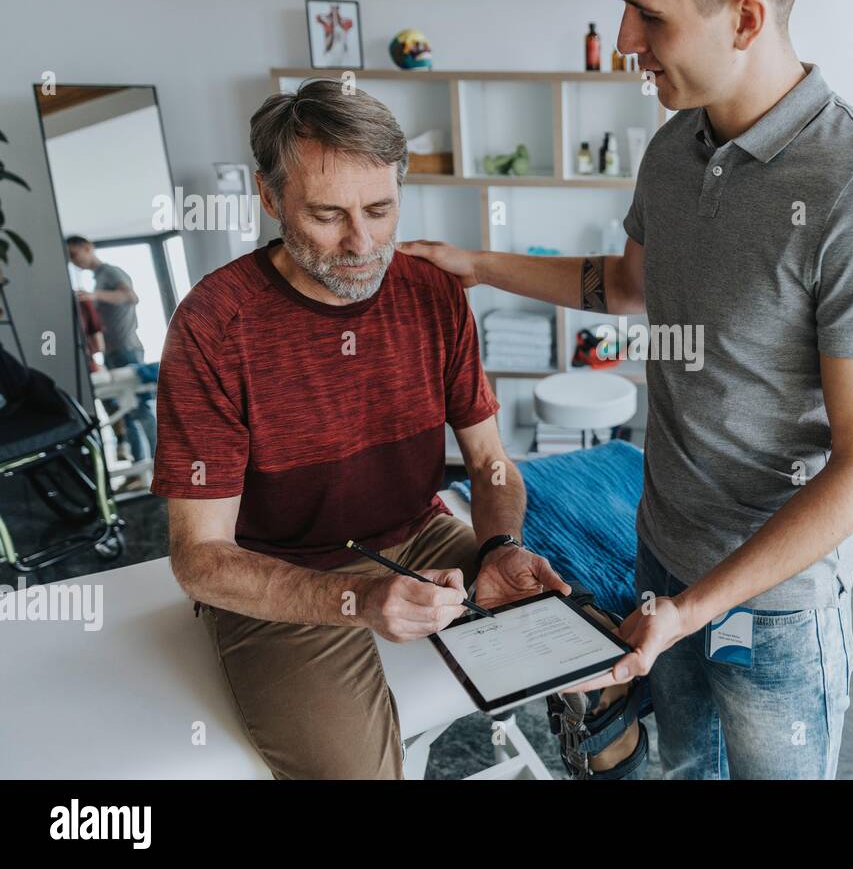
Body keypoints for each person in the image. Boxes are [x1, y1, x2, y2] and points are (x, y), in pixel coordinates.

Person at [400, 0, 853, 778]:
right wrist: (477, 265)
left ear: (746, 18)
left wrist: (694, 611)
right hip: (663, 548)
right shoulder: (672, 150)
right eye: (623, 7)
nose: (623, 39)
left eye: (649, 15)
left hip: (773, 611)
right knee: (689, 767)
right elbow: (627, 285)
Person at [148, 80, 573, 779]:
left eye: (381, 210)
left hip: (421, 531)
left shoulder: (432, 293)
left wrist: (498, 546)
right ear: (269, 197)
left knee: (588, 647)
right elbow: (200, 559)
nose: (363, 242)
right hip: (277, 569)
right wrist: (357, 599)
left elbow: (492, 463)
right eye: (327, 215)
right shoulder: (213, 327)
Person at [67, 236, 156, 466]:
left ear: (88, 247)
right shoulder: (98, 279)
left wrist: (95, 296)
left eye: (74, 255)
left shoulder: (110, 273)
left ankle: (163, 462)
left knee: (140, 408)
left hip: (126, 349)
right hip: (113, 352)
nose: (74, 261)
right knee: (126, 411)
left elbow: (130, 297)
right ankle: (139, 466)